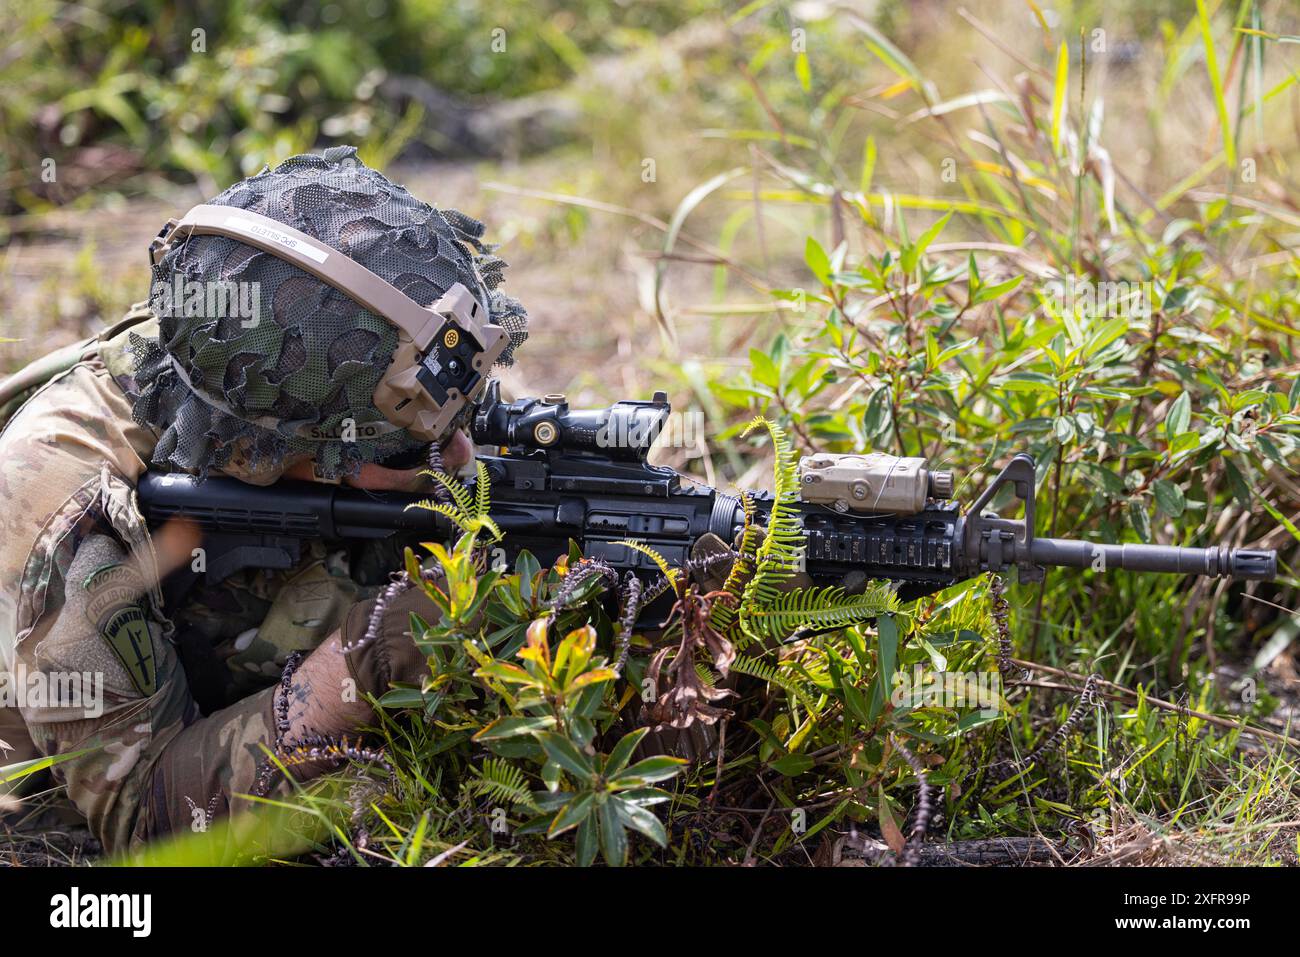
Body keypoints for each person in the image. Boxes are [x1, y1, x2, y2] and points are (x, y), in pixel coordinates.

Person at [0, 146, 528, 853]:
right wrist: (366, 657)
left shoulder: (319, 347)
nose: (460, 458)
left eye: (470, 415)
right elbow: (148, 827)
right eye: (406, 450)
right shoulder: (65, 515)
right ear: (260, 453)